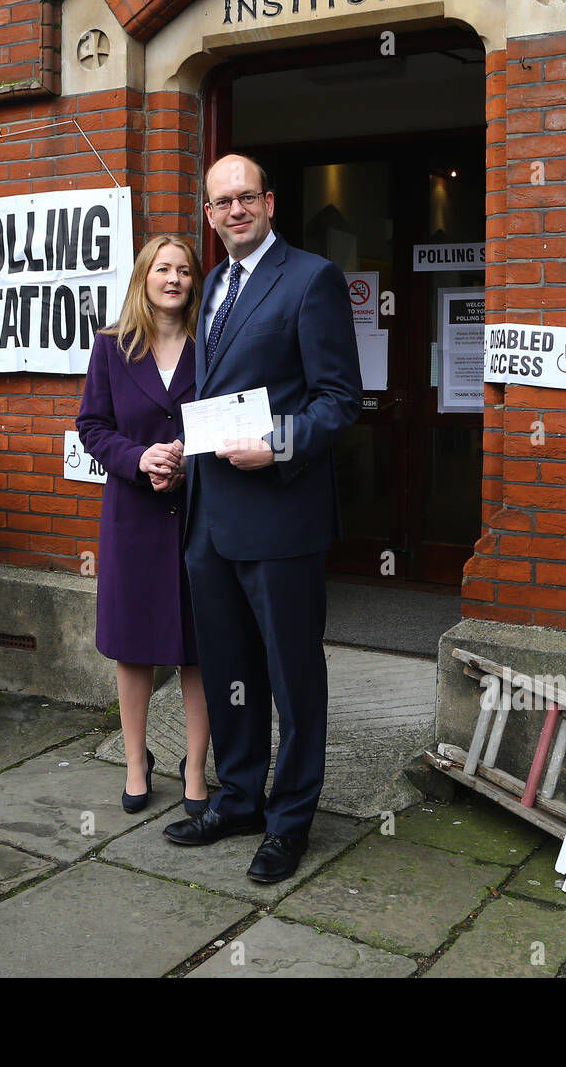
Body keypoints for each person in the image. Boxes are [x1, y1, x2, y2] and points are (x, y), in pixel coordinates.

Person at [163, 154, 362, 883]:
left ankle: (289, 822)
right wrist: (180, 450)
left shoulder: (311, 279)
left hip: (281, 521)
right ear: (209, 215)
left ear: (270, 203)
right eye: (221, 202)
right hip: (209, 521)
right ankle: (240, 797)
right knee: (230, 673)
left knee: (293, 677)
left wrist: (277, 444)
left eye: (247, 197)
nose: (234, 210)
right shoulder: (211, 284)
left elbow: (341, 402)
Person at [77, 236, 212, 815]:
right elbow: (92, 425)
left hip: (197, 515)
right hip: (133, 518)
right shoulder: (111, 347)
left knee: (197, 646)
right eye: (163, 268)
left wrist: (188, 460)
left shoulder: (214, 343)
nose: (174, 278)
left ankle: (197, 767)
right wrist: (138, 459)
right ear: (143, 277)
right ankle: (136, 761)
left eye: (184, 270)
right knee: (134, 647)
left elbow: (228, 419)